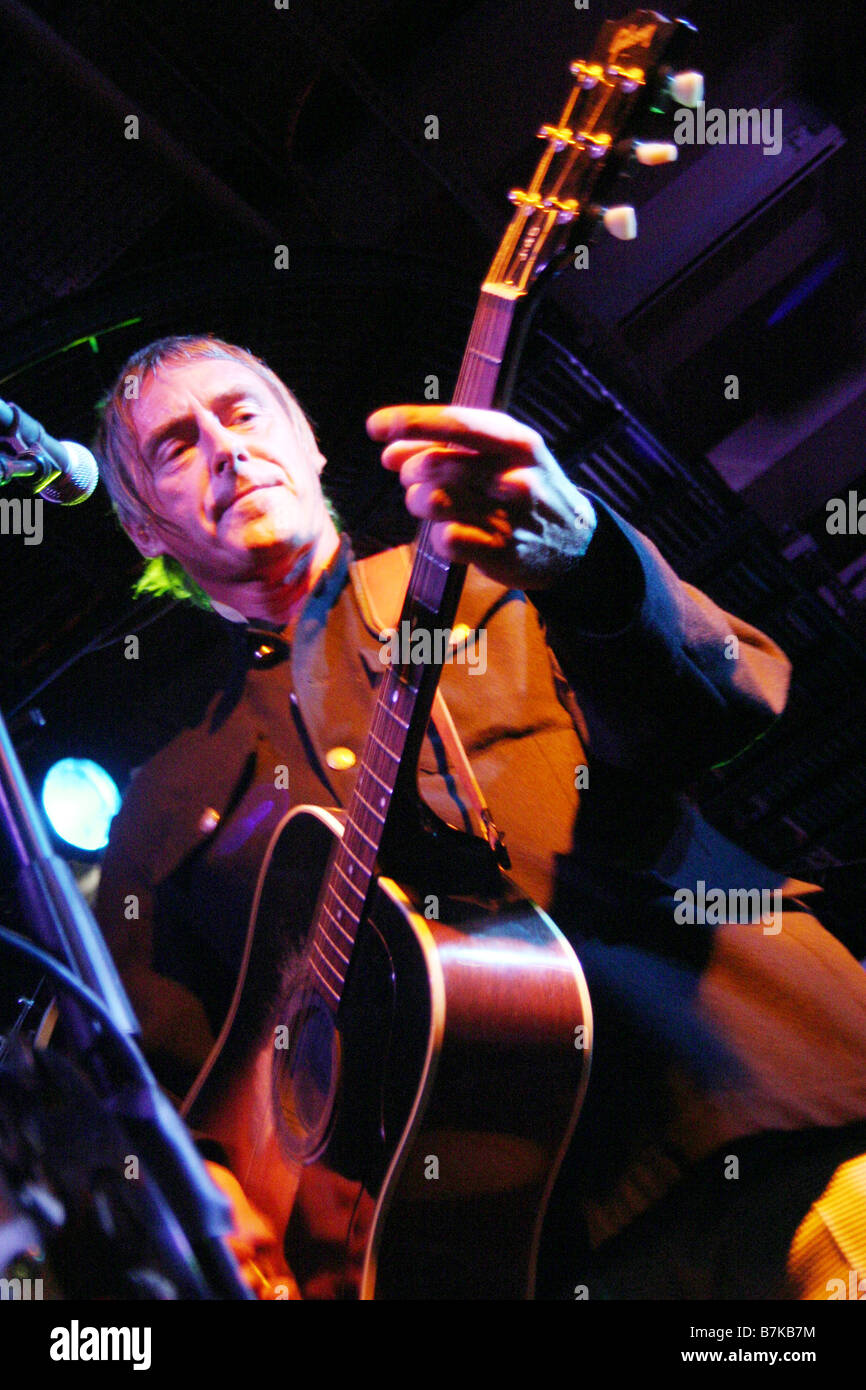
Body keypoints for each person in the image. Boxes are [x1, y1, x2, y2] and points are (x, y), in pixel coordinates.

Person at [93, 333, 866, 1300]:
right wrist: (208, 1192)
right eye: (175, 445)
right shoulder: (166, 801)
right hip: (513, 1255)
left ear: (309, 443)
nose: (225, 448)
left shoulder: (496, 565)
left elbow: (730, 704)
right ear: (143, 529)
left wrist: (590, 561)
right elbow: (158, 1082)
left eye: (244, 413)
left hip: (749, 1104)